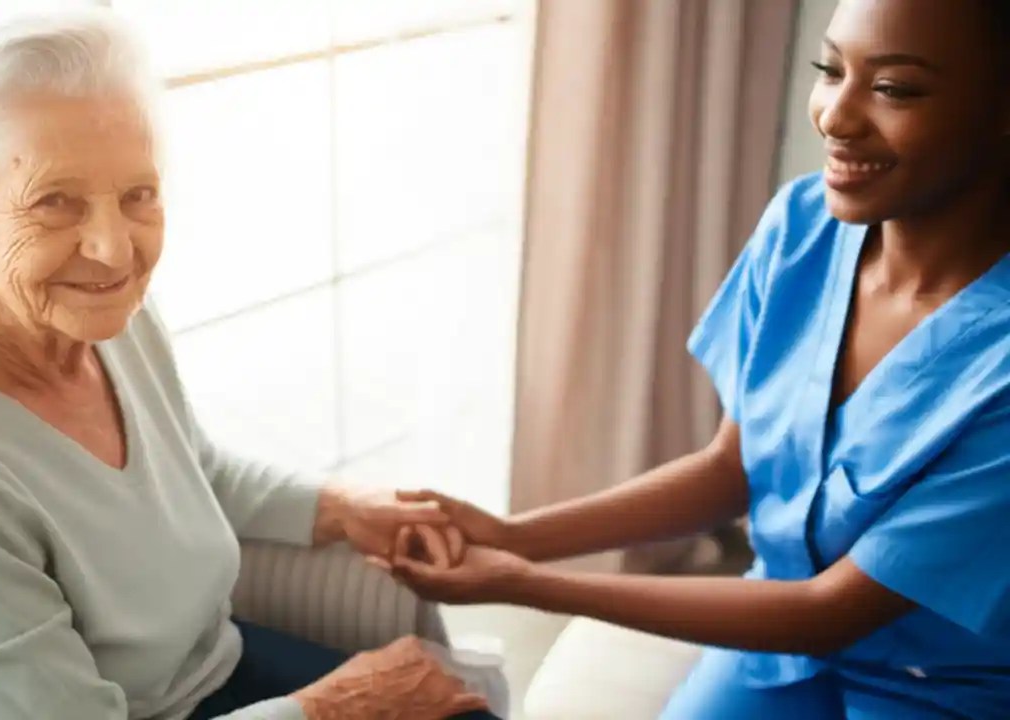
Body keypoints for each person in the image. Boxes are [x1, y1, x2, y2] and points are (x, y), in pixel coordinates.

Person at [0, 10, 496, 720]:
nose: (112, 248)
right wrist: (333, 708)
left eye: (138, 194)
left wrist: (340, 507)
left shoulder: (97, 313)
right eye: (55, 202)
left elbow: (187, 470)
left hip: (208, 675)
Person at [383, 0, 1010, 717]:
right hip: (779, 649)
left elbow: (829, 612)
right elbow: (731, 468)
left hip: (948, 690)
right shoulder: (801, 228)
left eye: (894, 88)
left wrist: (523, 580)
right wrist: (513, 534)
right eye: (829, 70)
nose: (836, 116)